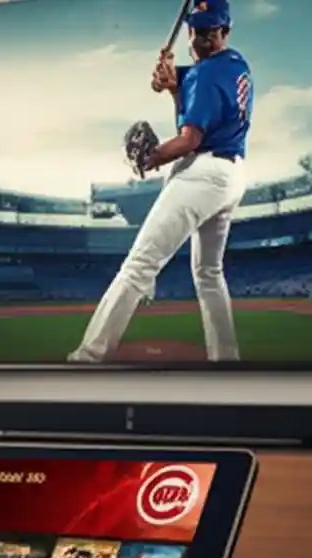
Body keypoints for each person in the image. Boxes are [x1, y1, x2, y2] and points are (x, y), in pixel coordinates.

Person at [69, 0, 253, 362]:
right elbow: (190, 92)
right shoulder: (235, 64)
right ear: (189, 31)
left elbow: (189, 139)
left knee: (139, 265)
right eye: (197, 31)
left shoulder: (207, 73)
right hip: (231, 174)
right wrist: (172, 86)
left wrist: (152, 158)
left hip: (204, 172)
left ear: (225, 32)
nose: (202, 39)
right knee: (209, 273)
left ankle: (88, 357)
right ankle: (226, 361)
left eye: (210, 33)